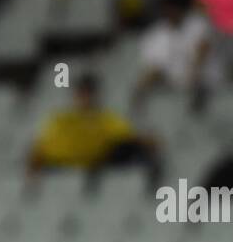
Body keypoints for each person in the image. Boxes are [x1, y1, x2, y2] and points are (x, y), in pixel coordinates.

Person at [28, 73, 157, 176]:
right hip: (62, 167)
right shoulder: (60, 120)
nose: (85, 98)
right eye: (81, 93)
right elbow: (40, 148)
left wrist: (146, 141)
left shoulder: (106, 118)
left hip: (97, 166)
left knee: (133, 151)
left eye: (88, 93)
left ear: (95, 95)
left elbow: (129, 136)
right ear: (75, 95)